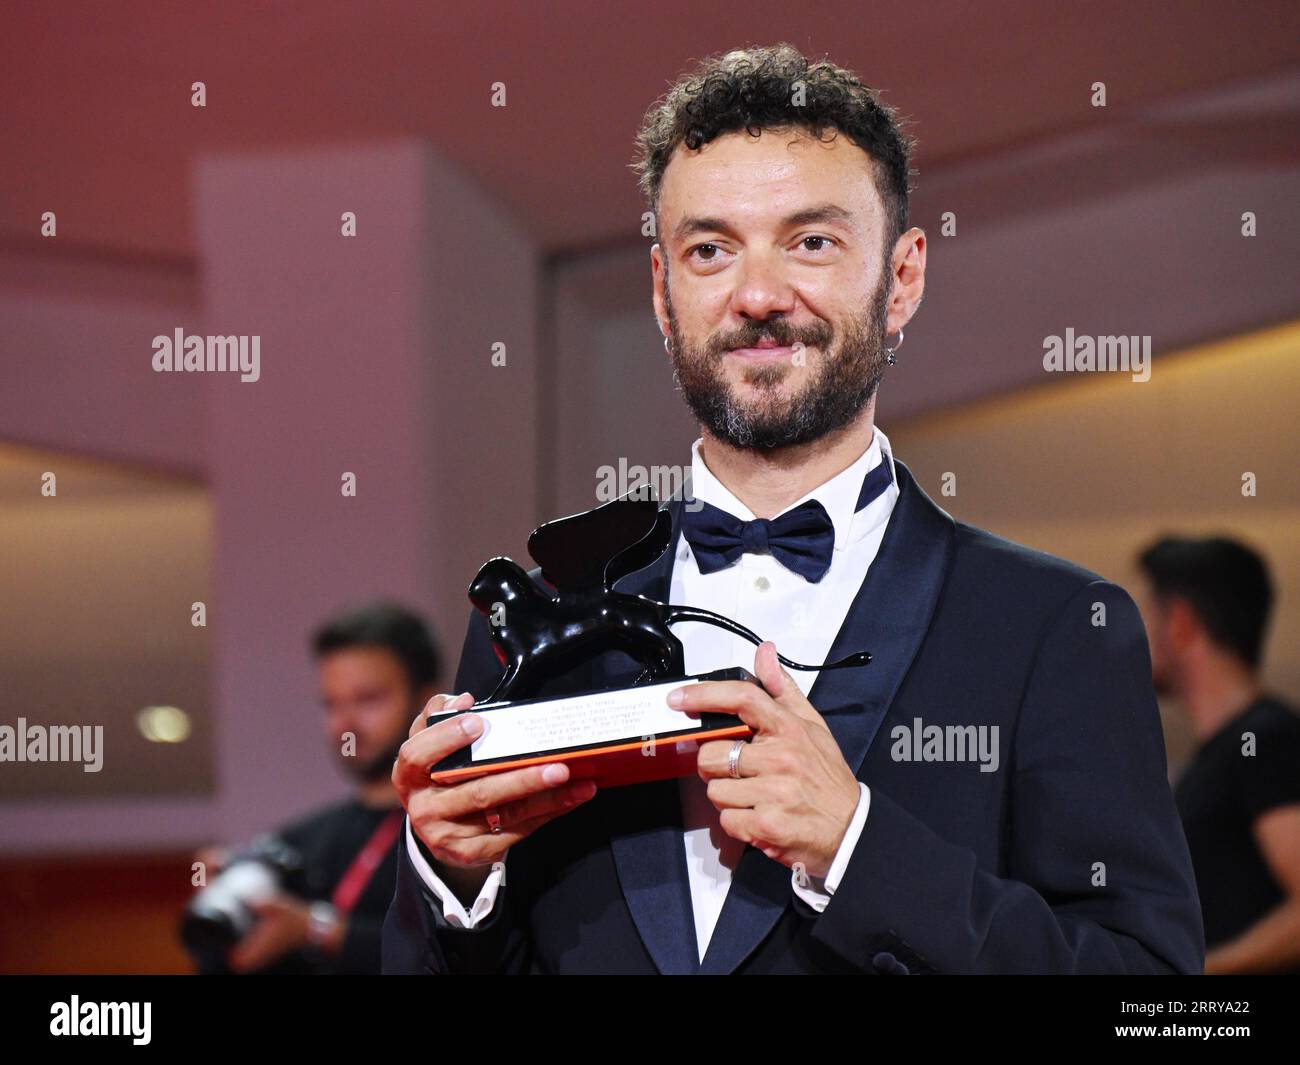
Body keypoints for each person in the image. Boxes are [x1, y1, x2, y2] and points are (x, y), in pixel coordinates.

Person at [382, 43, 1204, 974]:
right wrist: (450, 879)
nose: (760, 296)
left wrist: (857, 847)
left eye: (812, 241)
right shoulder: (532, 620)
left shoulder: (1054, 626)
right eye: (710, 250)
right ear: (661, 292)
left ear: (901, 279)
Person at [196, 601, 440, 974]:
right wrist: (226, 919)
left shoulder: (459, 831)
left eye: (368, 699)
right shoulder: (296, 844)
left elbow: (463, 956)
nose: (346, 723)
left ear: (426, 698)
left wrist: (315, 930)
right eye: (331, 704)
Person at [1138, 536, 1300, 974]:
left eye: (1149, 617)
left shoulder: (1269, 740)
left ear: (1181, 623)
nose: (1139, 638)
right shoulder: (1220, 757)